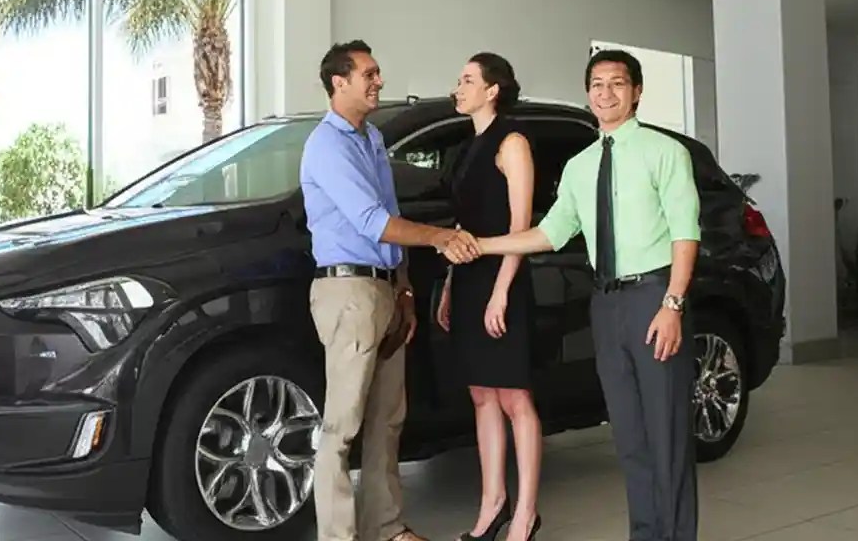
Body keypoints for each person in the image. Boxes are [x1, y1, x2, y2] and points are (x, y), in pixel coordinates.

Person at [461, 48, 700, 541]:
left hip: (653, 299)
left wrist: (673, 303)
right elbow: (549, 232)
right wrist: (481, 245)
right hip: (606, 304)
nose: (605, 93)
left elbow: (685, 234)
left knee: (667, 437)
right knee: (630, 439)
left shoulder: (665, 152)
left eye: (616, 83)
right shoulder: (580, 166)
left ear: (635, 92)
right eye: (596, 84)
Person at [300, 39, 476, 541]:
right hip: (347, 292)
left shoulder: (371, 139)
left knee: (387, 422)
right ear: (339, 82)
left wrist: (402, 291)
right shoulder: (327, 145)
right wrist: (442, 237)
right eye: (369, 74)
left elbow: (389, 212)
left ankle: (387, 529)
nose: (379, 81)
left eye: (377, 73)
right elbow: (372, 220)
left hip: (383, 290)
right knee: (342, 429)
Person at [436, 53, 541, 541]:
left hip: (506, 277)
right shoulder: (466, 148)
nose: (459, 88)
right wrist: (453, 287)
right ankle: (492, 503)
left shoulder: (512, 141)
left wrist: (500, 291)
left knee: (515, 396)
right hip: (471, 278)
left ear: (493, 89)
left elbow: (521, 228)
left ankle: (525, 514)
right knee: (482, 395)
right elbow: (463, 227)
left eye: (468, 80)